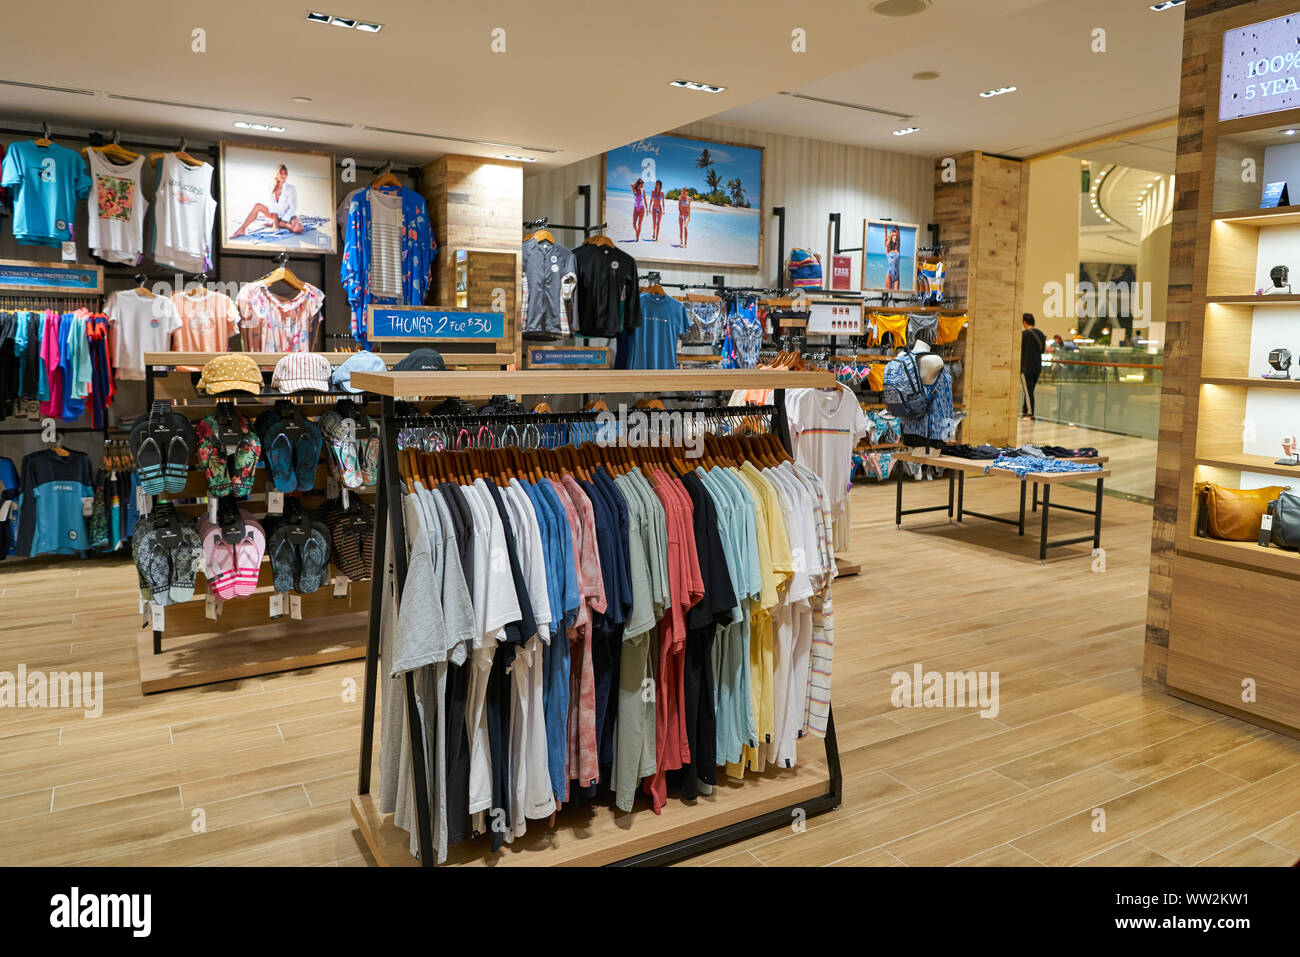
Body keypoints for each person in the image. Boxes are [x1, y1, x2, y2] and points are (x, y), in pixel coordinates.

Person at [231, 164, 303, 238]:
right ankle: (242, 229)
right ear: (277, 175)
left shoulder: (291, 188)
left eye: (285, 173)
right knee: (257, 206)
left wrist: (284, 221)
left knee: (298, 228)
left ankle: (283, 225)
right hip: (276, 215)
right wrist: (275, 221)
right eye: (281, 173)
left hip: (289, 216)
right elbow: (273, 205)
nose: (283, 175)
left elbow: (293, 208)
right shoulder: (272, 187)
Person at [1021, 313, 1047, 418]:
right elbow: (1042, 350)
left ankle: (1030, 414)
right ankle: (1024, 410)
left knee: (1028, 391)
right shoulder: (1041, 334)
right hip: (1037, 367)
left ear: (1024, 322)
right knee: (1029, 390)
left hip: (1026, 367)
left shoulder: (1024, 334)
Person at [885, 225, 901, 291]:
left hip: (897, 275)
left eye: (895, 235)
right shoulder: (888, 249)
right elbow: (885, 237)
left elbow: (898, 232)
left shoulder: (898, 248)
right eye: (893, 235)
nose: (895, 237)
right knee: (888, 294)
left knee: (896, 294)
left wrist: (896, 227)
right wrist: (885, 227)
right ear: (891, 237)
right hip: (889, 274)